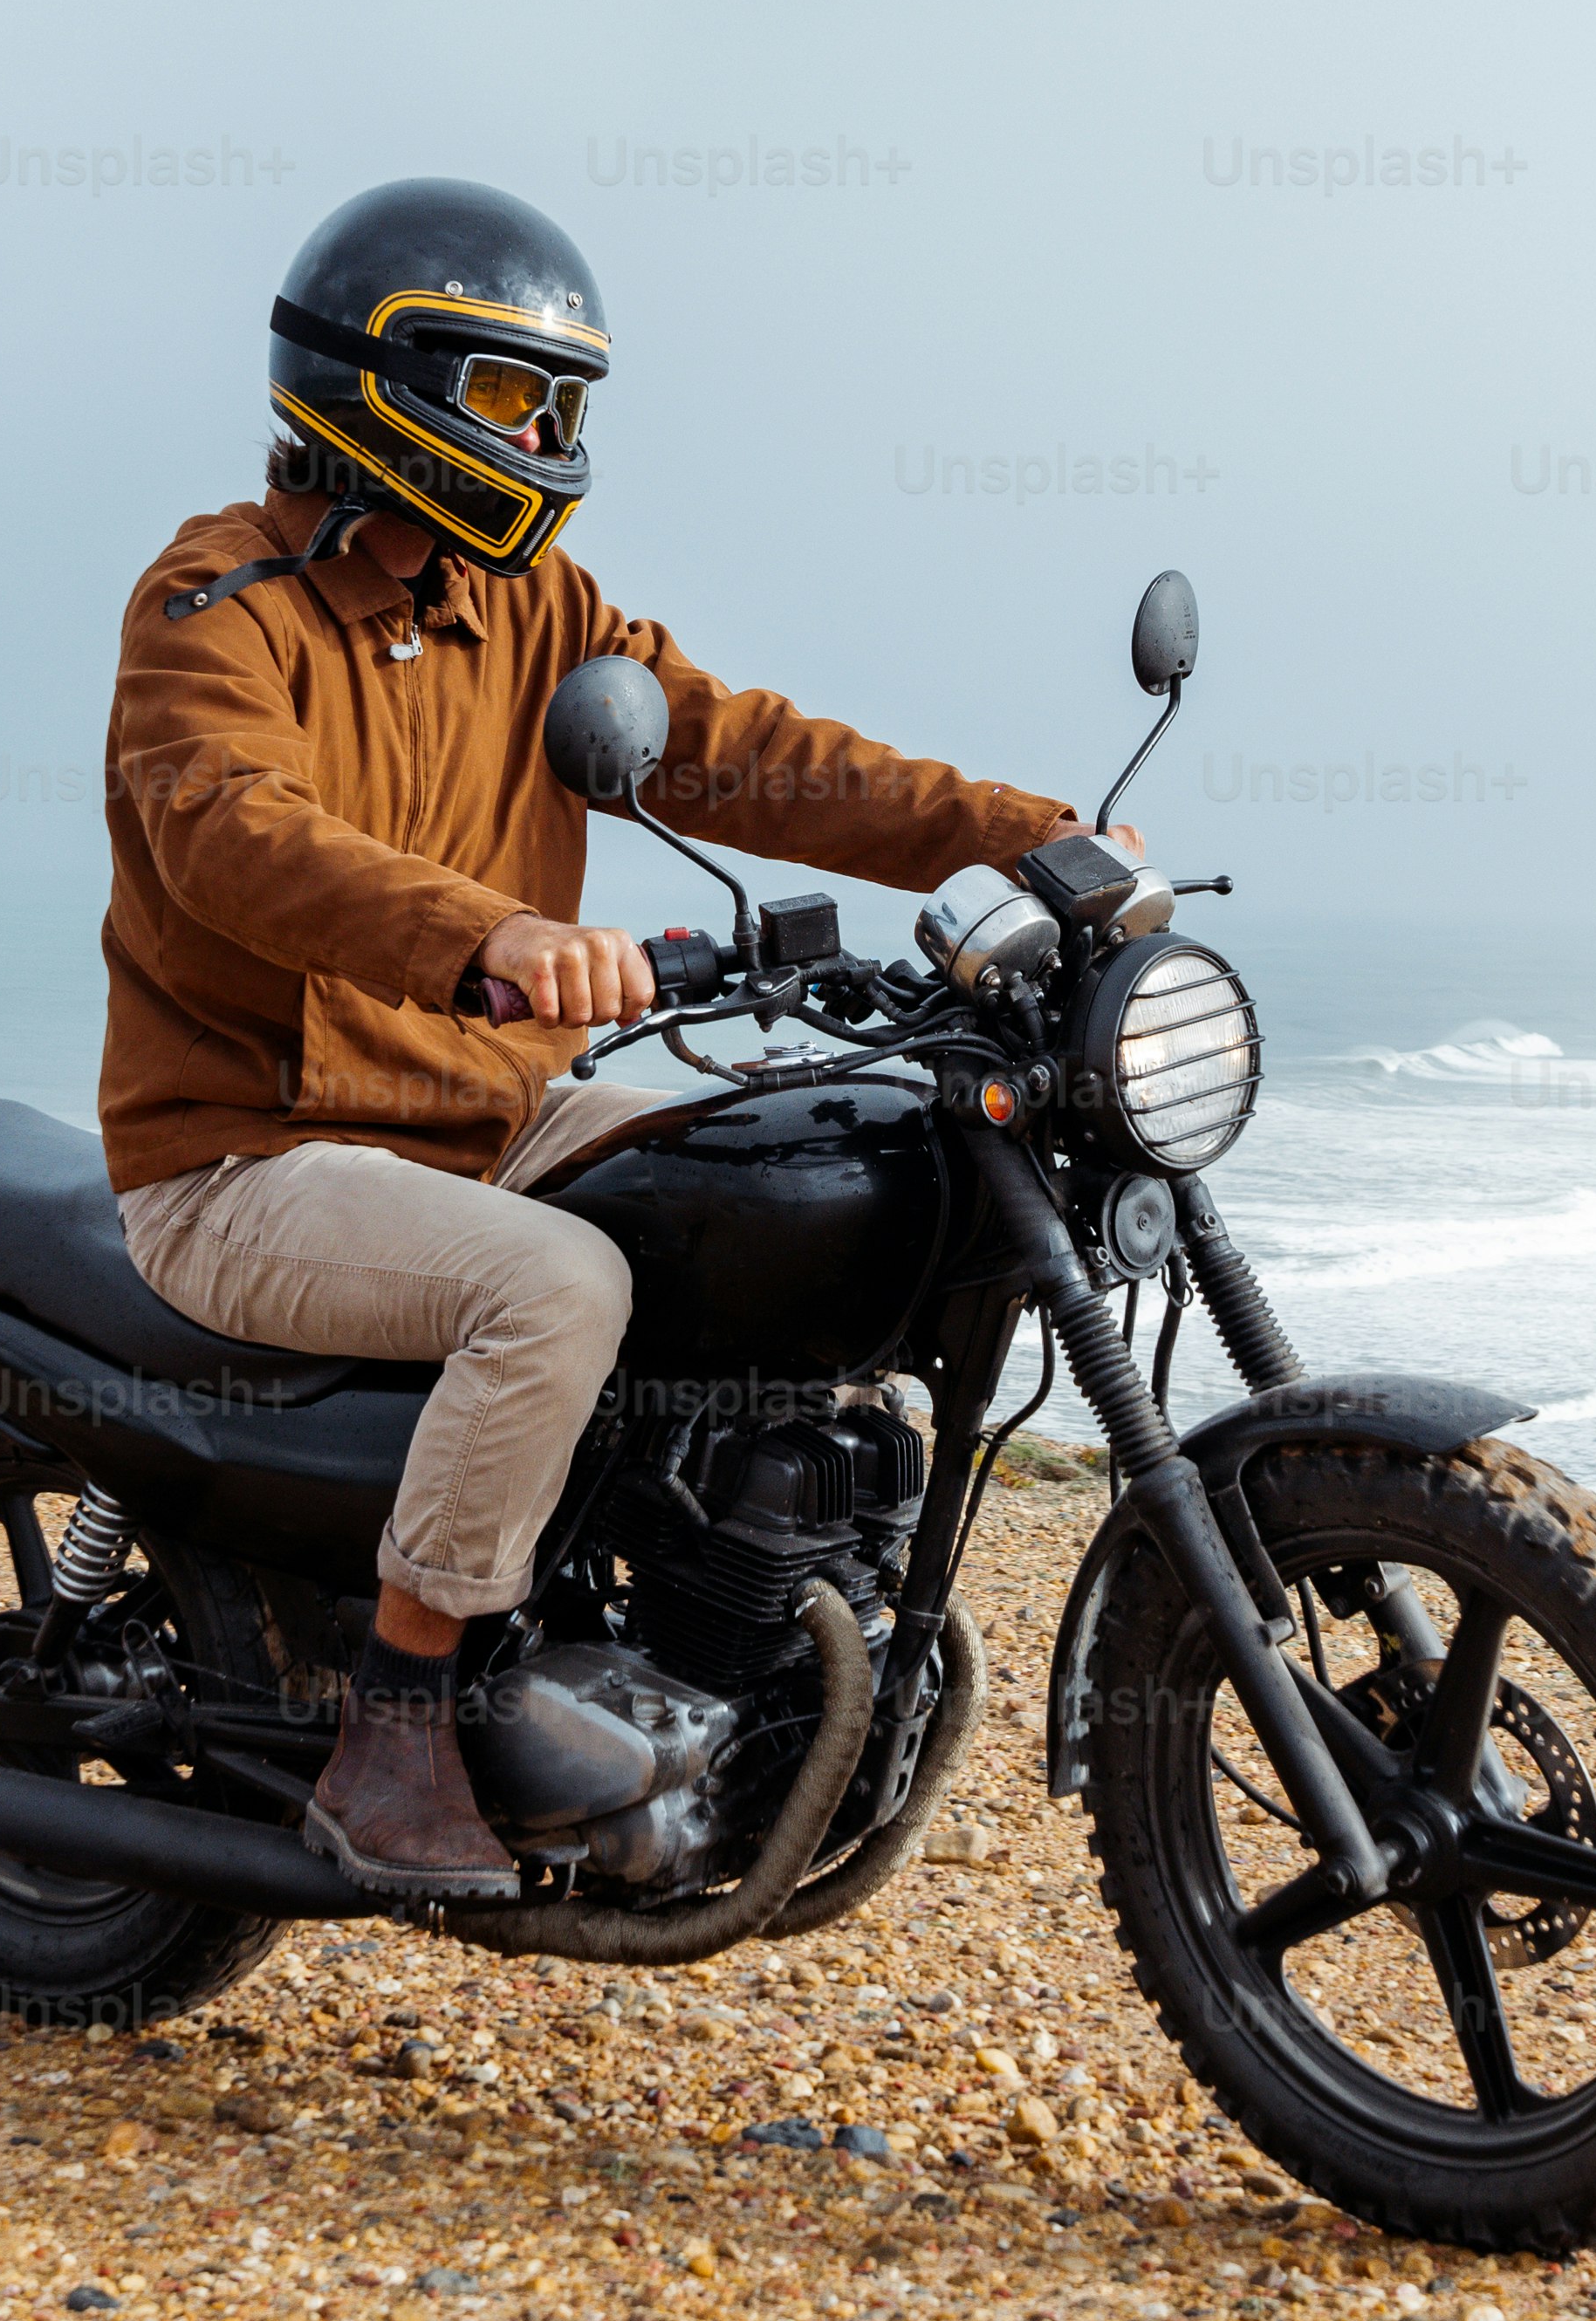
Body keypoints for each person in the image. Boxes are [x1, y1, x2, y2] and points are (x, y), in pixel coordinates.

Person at [97, 180, 1078, 1896]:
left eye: (559, 406)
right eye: (505, 397)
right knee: (555, 1288)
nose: (542, 437)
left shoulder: (534, 611)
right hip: (244, 1154)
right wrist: (490, 937)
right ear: (371, 388)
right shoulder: (214, 609)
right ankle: (396, 1724)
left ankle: (721, 1613)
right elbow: (235, 833)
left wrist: (1016, 838)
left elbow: (748, 752)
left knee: (792, 1170)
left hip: (487, 1124)